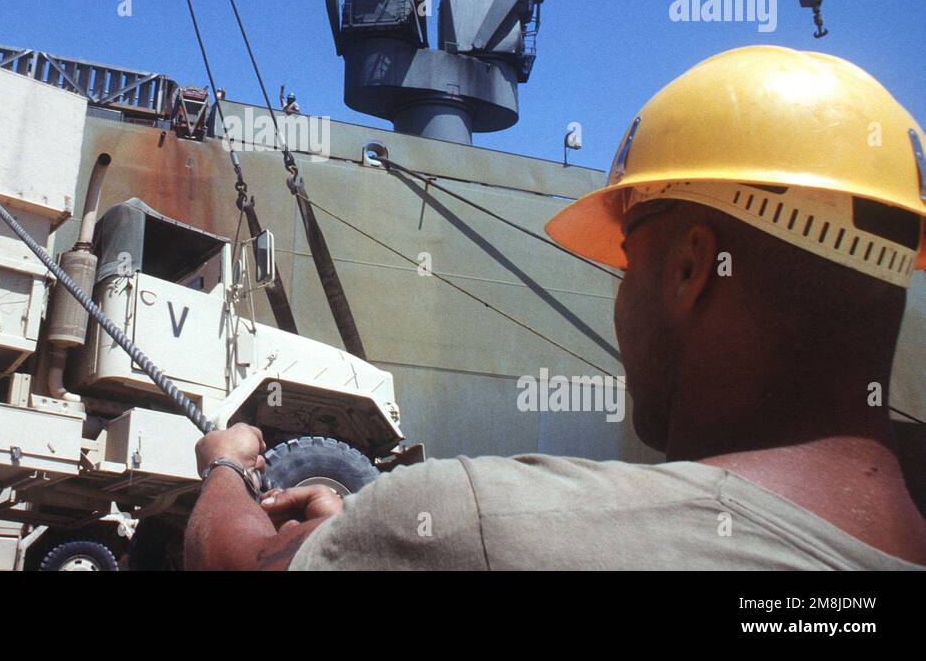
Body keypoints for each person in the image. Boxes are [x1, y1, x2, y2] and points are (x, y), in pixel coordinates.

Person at [184, 46, 926, 570]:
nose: (619, 294)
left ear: (694, 267)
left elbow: (237, 560)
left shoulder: (478, 521)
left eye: (630, 260)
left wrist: (227, 470)